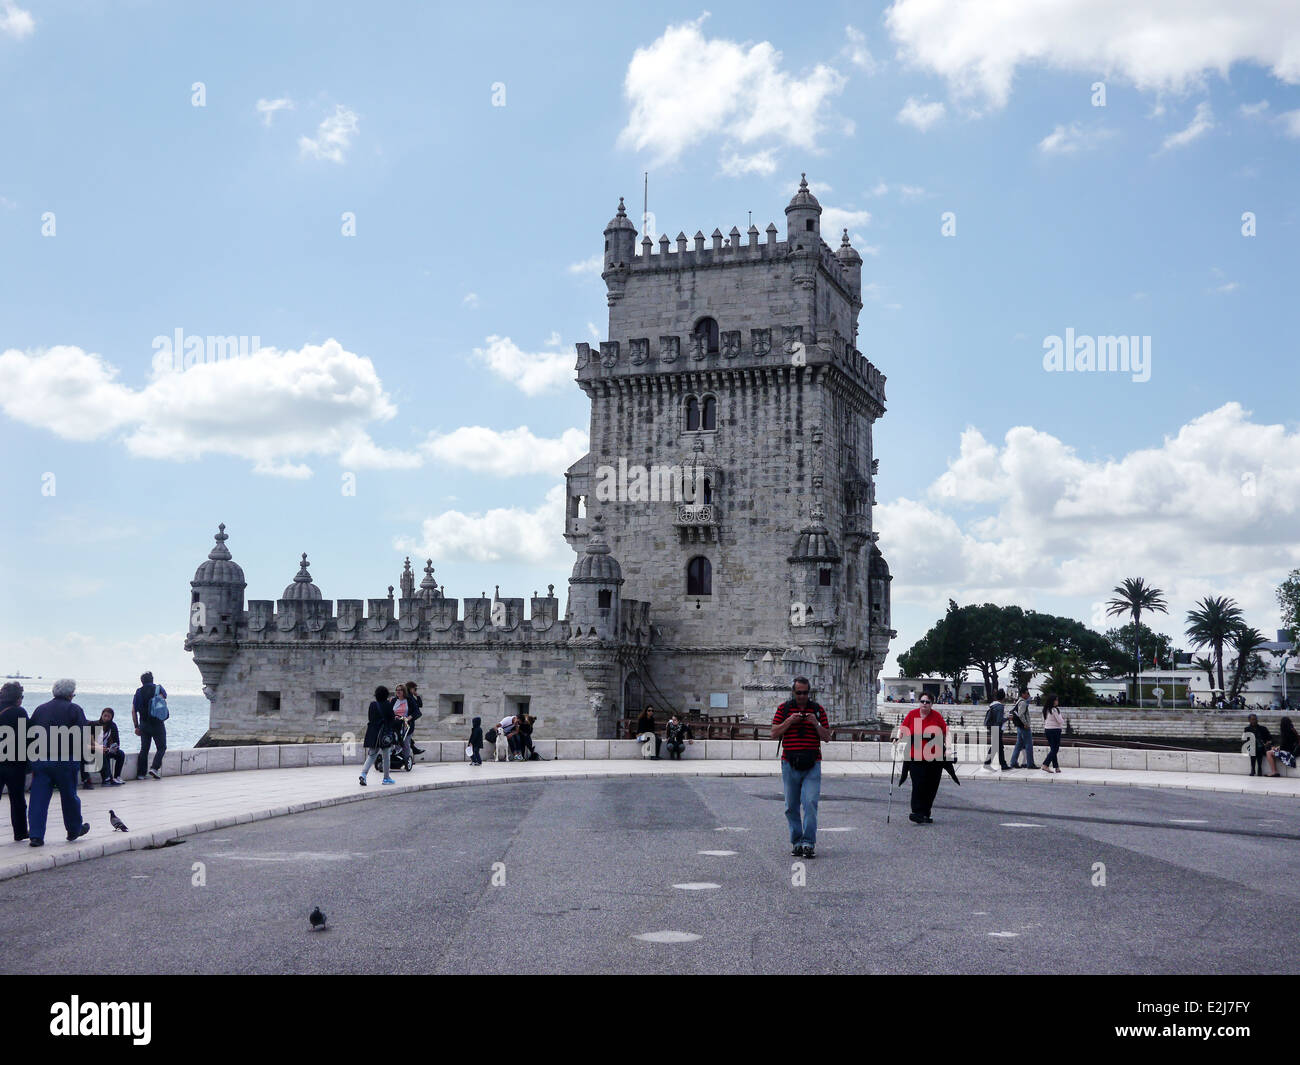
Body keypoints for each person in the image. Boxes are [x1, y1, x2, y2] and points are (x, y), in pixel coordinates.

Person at [26, 679, 91, 846]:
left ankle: (36, 835)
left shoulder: (40, 709)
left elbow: (30, 734)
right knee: (69, 796)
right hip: (65, 760)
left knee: (38, 798)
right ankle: (74, 829)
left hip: (42, 760)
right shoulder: (74, 710)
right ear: (70, 694)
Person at [770, 678, 829, 859]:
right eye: (799, 693)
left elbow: (827, 736)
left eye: (805, 693)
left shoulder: (818, 710)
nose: (802, 696)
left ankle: (808, 842)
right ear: (793, 692)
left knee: (810, 803)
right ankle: (797, 841)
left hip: (812, 763)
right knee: (791, 806)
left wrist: (815, 723)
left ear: (809, 693)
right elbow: (773, 733)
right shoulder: (784, 709)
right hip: (789, 763)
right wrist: (789, 721)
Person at [898, 695, 948, 824]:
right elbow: (902, 729)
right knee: (918, 784)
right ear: (919, 702)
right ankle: (917, 812)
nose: (924, 704)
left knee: (931, 786)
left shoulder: (936, 716)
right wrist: (897, 737)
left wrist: (947, 747)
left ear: (932, 704)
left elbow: (944, 732)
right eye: (922, 701)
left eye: (927, 702)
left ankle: (926, 813)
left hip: (934, 757)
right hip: (916, 756)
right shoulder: (912, 714)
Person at [0, 681, 29, 842]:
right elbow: (27, 737)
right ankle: (20, 832)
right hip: (14, 763)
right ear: (17, 698)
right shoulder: (19, 712)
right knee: (17, 799)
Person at [131, 671, 168, 780]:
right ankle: (154, 768)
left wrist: (136, 726)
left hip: (144, 724)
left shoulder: (138, 692)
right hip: (157, 723)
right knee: (161, 747)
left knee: (144, 749)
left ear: (141, 681)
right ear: (152, 679)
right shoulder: (159, 688)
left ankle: (141, 774)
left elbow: (133, 711)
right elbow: (163, 700)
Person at [360, 685, 396, 786]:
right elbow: (392, 719)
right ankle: (386, 778)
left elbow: (370, 718)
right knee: (386, 757)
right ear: (386, 695)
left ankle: (363, 774)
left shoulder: (372, 705)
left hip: (372, 733)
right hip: (384, 734)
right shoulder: (388, 705)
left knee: (371, 755)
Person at [1008, 688, 1037, 770]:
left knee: (1019, 745)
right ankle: (1030, 764)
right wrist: (1026, 724)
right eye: (1027, 693)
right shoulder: (1023, 703)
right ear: (1023, 694)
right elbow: (1021, 714)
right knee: (1029, 745)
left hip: (1019, 726)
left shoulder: (1018, 701)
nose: (1028, 695)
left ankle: (1013, 762)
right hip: (1024, 727)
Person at [96, 708, 125, 786]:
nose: (106, 718)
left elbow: (117, 742)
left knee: (121, 754)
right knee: (103, 755)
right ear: (101, 715)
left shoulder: (113, 726)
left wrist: (112, 748)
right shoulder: (95, 725)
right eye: (105, 716)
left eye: (108, 717)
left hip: (108, 749)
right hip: (97, 750)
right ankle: (106, 778)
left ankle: (117, 776)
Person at [982, 689, 1009, 770]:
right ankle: (989, 764)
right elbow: (999, 720)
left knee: (998, 747)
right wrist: (1008, 718)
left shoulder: (992, 705)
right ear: (1003, 697)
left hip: (992, 728)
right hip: (997, 729)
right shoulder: (1000, 707)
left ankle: (1002, 765)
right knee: (996, 747)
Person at [392, 683, 414, 767]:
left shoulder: (409, 700)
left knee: (405, 742)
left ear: (404, 691)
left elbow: (417, 712)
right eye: (397, 690)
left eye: (400, 690)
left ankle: (406, 758)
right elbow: (390, 711)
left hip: (406, 725)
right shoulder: (394, 700)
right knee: (392, 740)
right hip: (395, 724)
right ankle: (393, 757)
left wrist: (408, 718)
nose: (398, 692)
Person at [1041, 694, 1064, 774]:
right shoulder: (1054, 710)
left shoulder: (1046, 709)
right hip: (1055, 730)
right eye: (1056, 700)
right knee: (1055, 749)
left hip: (1047, 730)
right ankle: (1045, 764)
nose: (1057, 701)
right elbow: (1060, 721)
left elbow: (1044, 720)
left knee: (1053, 749)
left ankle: (1056, 767)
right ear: (1053, 701)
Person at [405, 681, 424, 756]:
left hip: (409, 720)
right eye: (414, 689)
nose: (415, 690)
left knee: (406, 737)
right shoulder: (409, 697)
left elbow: (420, 704)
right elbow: (418, 707)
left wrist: (417, 696)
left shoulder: (411, 696)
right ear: (410, 688)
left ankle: (413, 750)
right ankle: (409, 755)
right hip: (408, 720)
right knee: (406, 737)